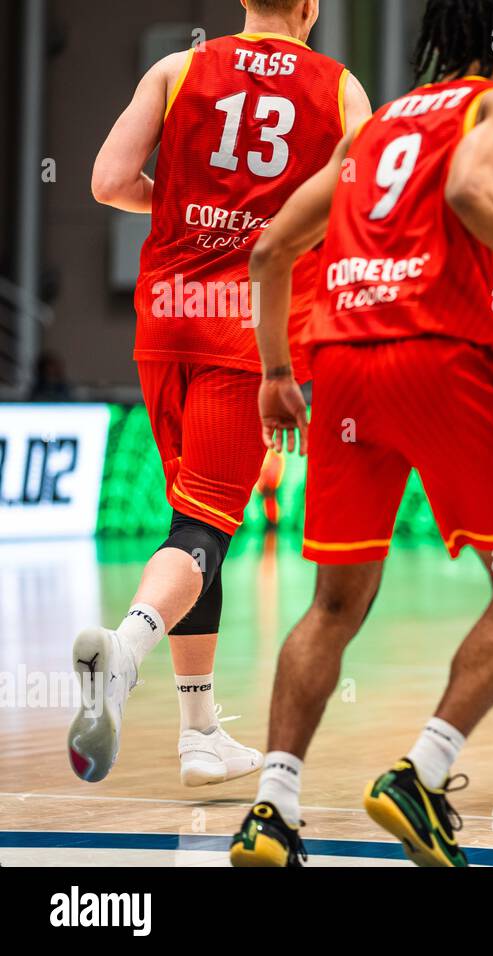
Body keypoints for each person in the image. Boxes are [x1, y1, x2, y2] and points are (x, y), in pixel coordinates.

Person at [228, 0, 493, 867]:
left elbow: (271, 250)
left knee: (334, 605)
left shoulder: (374, 127)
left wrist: (277, 373)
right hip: (435, 357)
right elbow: (468, 187)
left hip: (340, 366)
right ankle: (421, 775)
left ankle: (272, 810)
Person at [70, 0, 370, 787]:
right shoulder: (340, 89)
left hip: (166, 319)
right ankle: (125, 653)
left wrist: (174, 207)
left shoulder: (177, 69)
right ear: (310, 8)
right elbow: (360, 206)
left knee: (198, 527)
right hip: (249, 330)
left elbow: (107, 182)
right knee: (203, 527)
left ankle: (200, 735)